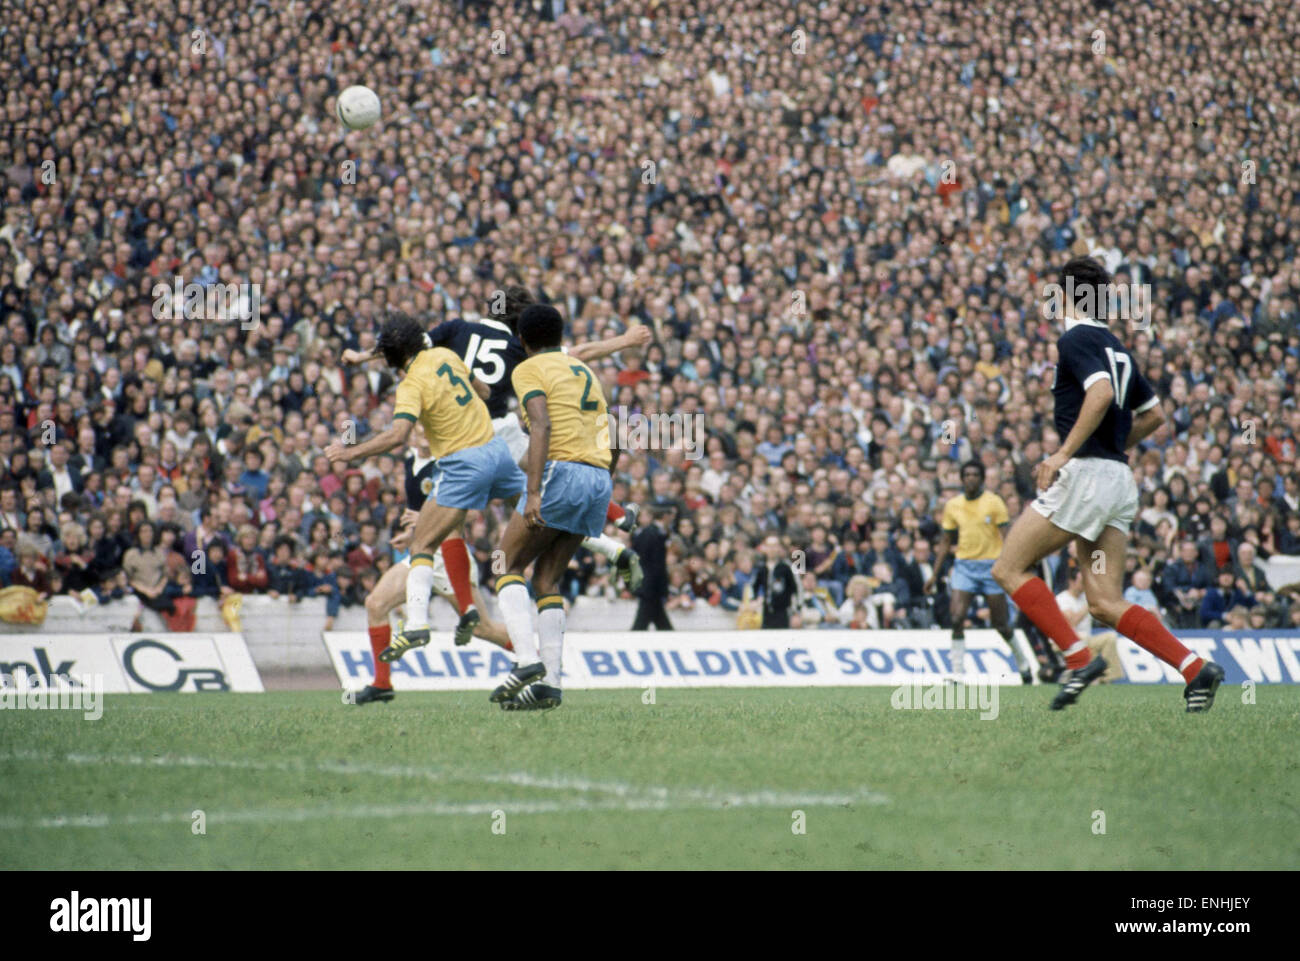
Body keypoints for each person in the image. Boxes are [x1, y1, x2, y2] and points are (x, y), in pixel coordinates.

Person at [991, 257, 1224, 712]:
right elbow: (1155, 414)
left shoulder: (1075, 338)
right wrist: (1114, 444)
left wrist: (1063, 454)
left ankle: (1077, 659)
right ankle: (1196, 667)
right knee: (1102, 601)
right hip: (1118, 478)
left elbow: (1099, 394)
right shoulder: (1116, 345)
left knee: (1009, 567)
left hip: (1088, 477)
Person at [342, 285, 648, 592]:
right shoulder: (517, 346)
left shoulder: (456, 328)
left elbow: (403, 342)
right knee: (544, 495)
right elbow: (580, 353)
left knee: (448, 528)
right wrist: (625, 341)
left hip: (468, 436)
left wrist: (361, 356)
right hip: (505, 431)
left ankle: (458, 610)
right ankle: (616, 535)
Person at [326, 311, 525, 660]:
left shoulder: (412, 385)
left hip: (464, 463)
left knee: (422, 541)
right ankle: (606, 539)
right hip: (495, 451)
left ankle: (417, 624)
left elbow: (397, 434)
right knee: (538, 505)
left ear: (394, 356)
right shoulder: (448, 356)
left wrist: (349, 453)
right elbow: (484, 389)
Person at [490, 304, 618, 710]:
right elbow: (607, 428)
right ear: (561, 337)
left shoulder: (527, 369)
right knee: (547, 581)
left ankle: (527, 663)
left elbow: (541, 424)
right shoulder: (583, 370)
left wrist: (532, 491)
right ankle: (550, 685)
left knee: (504, 564)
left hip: (560, 473)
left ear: (523, 342)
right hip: (598, 476)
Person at [348, 434, 513, 705]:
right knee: (375, 604)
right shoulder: (411, 460)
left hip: (448, 555)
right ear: (412, 432)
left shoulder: (449, 460)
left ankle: (537, 660)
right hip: (421, 553)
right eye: (420, 427)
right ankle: (381, 684)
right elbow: (423, 514)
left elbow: (472, 512)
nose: (425, 432)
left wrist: (423, 519)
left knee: (483, 629)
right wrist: (413, 533)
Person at [927, 460, 1033, 683]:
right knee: (956, 618)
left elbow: (1007, 537)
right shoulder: (953, 505)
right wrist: (934, 574)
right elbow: (946, 541)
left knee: (1001, 625)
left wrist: (1012, 566)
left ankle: (1023, 664)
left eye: (975, 474)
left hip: (991, 567)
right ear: (962, 478)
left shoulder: (994, 503)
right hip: (964, 566)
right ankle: (957, 672)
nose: (971, 478)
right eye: (967, 475)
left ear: (982, 479)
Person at [630, 506, 672, 630]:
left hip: (648, 585)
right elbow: (656, 564)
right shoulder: (652, 533)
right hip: (651, 585)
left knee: (651, 620)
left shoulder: (647, 533)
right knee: (646, 622)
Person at [747, 534, 801, 629]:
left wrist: (796, 612)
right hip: (766, 612)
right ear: (765, 548)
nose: (772, 549)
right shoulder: (761, 568)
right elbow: (752, 586)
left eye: (775, 546)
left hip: (783, 613)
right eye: (769, 546)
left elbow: (796, 590)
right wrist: (752, 601)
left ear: (779, 548)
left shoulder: (786, 568)